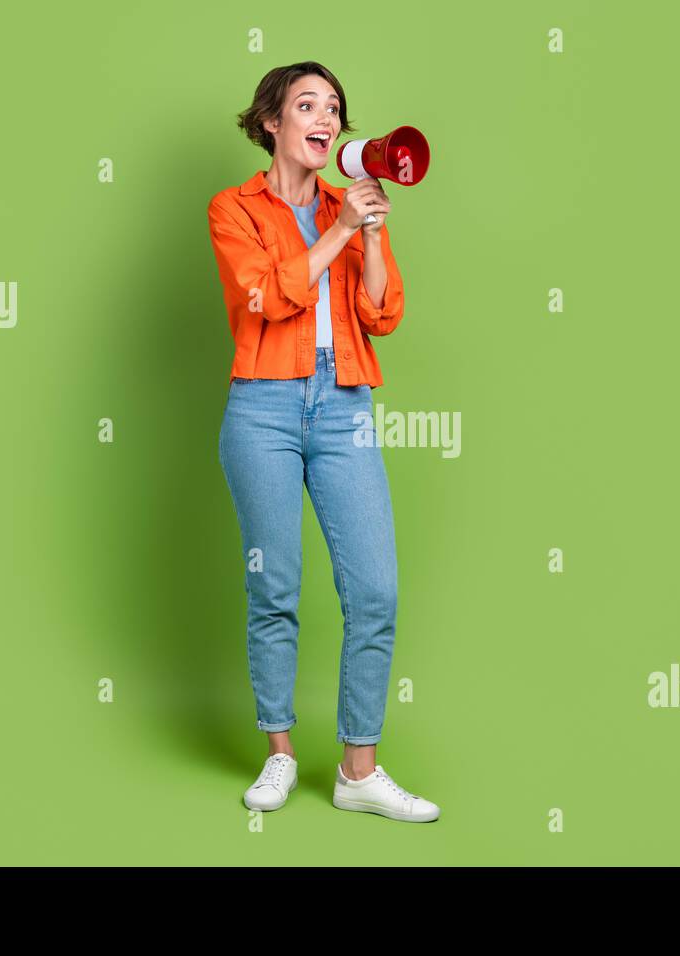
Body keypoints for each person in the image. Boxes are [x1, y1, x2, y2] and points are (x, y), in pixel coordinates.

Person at [206, 61, 439, 823]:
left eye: (334, 106)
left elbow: (383, 314)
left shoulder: (348, 203)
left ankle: (358, 772)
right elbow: (263, 297)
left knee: (374, 590)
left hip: (345, 405)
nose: (326, 116)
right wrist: (336, 231)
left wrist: (367, 233)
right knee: (274, 589)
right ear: (272, 122)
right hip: (264, 409)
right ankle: (279, 754)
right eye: (308, 103)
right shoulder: (233, 208)